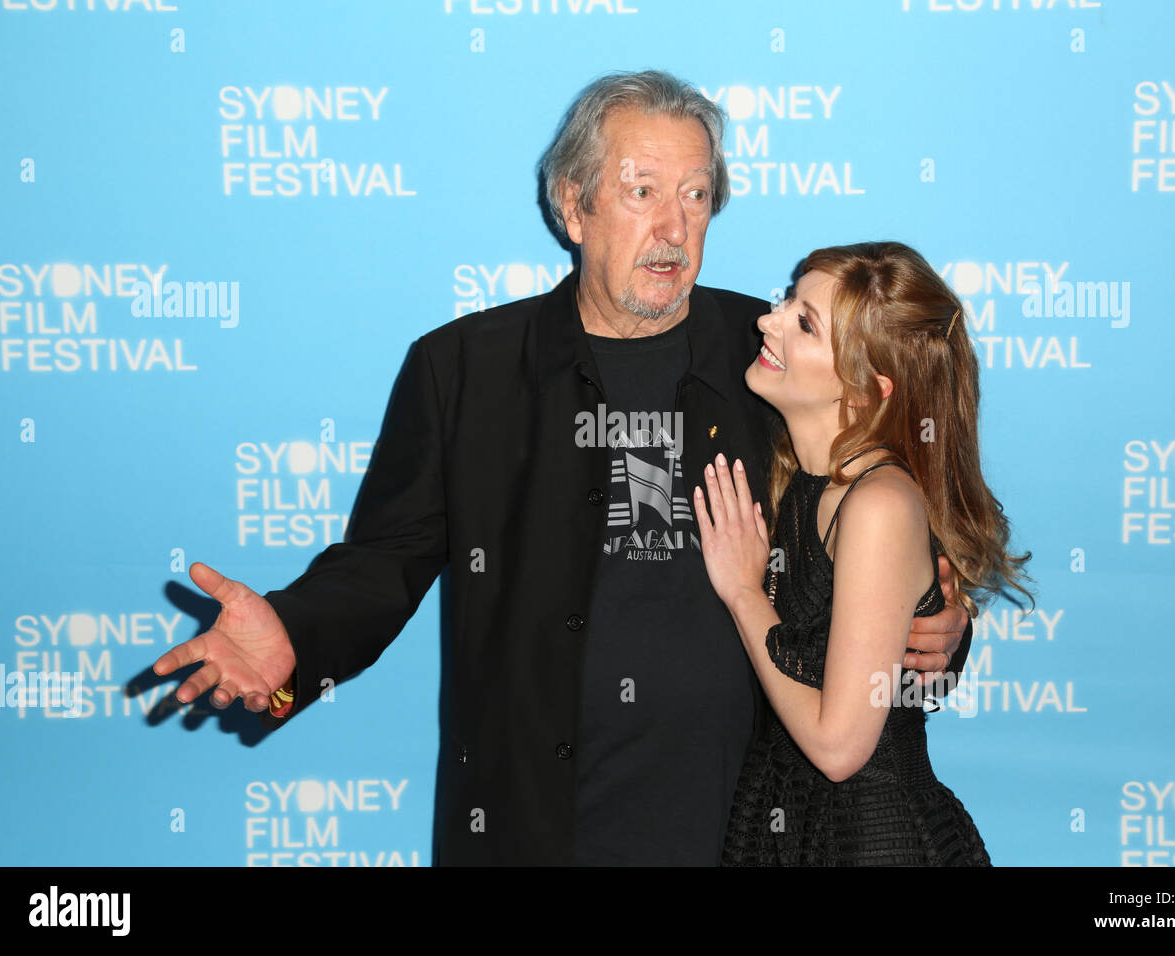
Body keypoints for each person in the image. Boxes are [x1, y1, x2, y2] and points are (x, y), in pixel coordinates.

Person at [152, 72, 973, 866]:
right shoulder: (463, 372)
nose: (676, 227)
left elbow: (873, 535)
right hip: (529, 827)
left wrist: (941, 623)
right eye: (642, 191)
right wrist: (292, 641)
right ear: (574, 206)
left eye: (696, 194)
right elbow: (380, 567)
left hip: (742, 828)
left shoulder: (771, 361)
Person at [696, 242, 1031, 865]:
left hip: (874, 839)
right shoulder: (803, 483)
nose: (766, 321)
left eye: (804, 323)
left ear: (866, 386)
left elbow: (839, 747)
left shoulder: (878, 505)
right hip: (784, 827)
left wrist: (744, 592)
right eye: (788, 301)